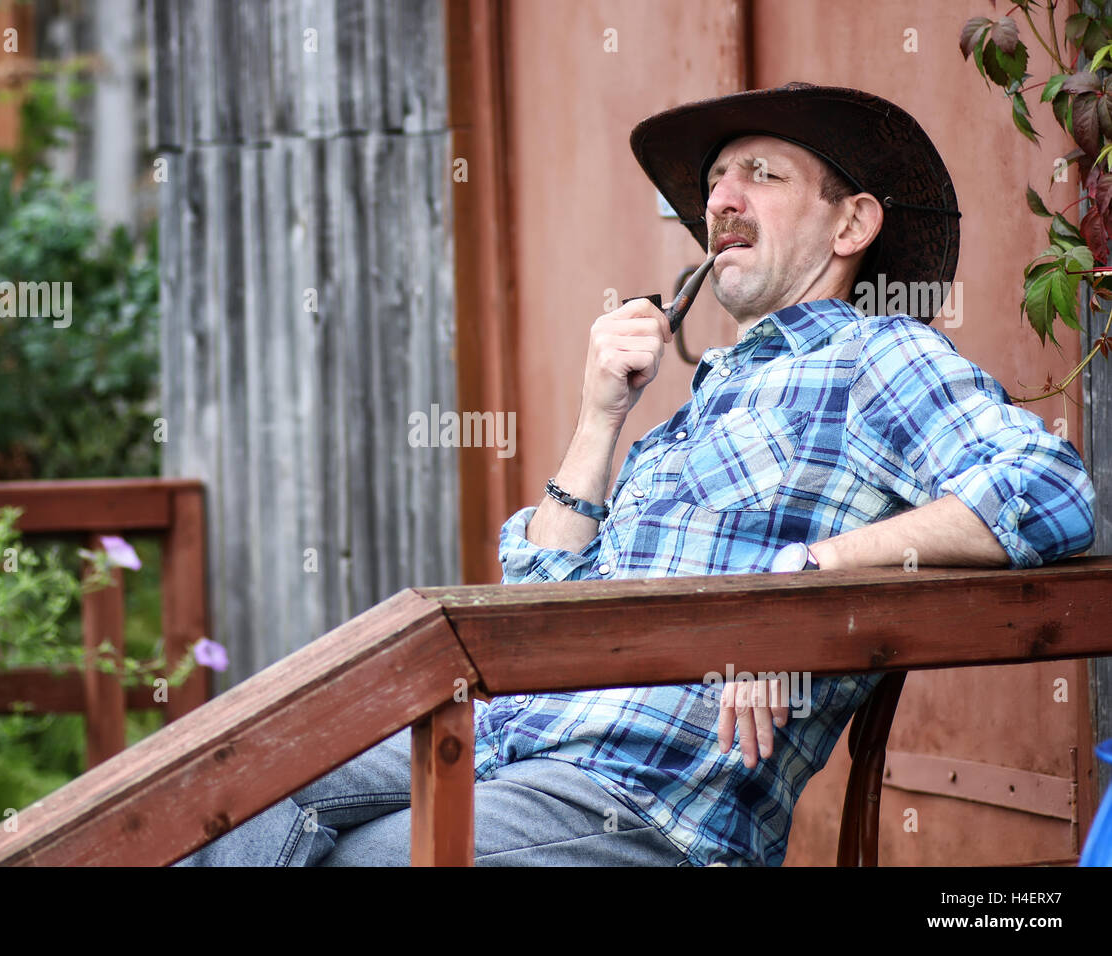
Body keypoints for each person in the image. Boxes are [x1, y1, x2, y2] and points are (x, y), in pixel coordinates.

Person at [175, 82, 1096, 867]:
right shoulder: (690, 416)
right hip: (510, 742)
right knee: (234, 779)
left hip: (646, 804)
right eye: (714, 184)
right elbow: (536, 603)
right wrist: (600, 418)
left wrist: (805, 579)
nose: (722, 201)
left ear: (853, 222)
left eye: (762, 176)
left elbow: (1049, 493)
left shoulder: (878, 358)